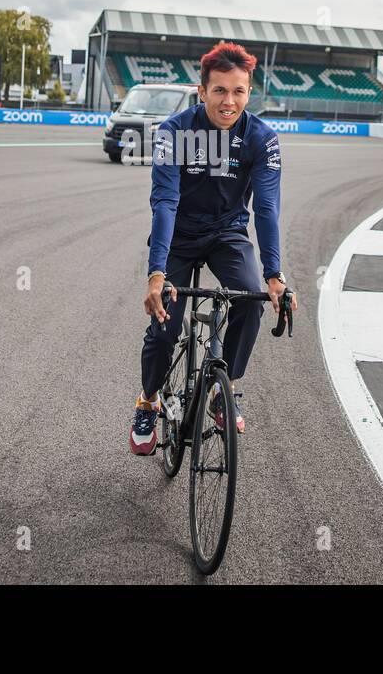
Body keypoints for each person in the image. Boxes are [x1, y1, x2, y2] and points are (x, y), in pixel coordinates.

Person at [129, 41, 296, 455]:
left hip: (228, 235)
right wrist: (156, 275)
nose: (229, 101)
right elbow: (165, 202)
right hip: (180, 235)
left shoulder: (262, 138)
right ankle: (148, 400)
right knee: (165, 328)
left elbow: (267, 208)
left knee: (250, 299)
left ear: (249, 92)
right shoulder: (174, 132)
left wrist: (274, 275)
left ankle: (227, 389)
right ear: (201, 92)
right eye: (219, 90)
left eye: (238, 91)